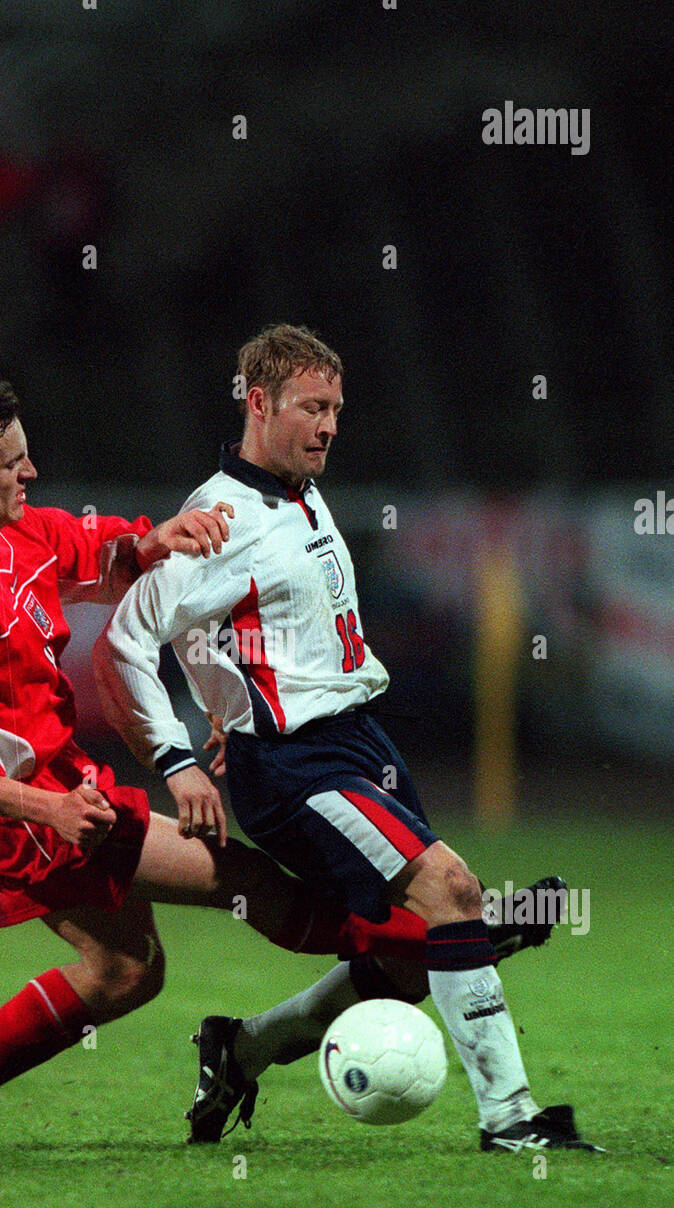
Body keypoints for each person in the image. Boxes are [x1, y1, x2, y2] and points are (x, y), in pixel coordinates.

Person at [0, 368, 404, 1155]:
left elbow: (88, 552)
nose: (30, 473)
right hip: (28, 814)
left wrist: (153, 541)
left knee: (125, 971)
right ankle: (432, 939)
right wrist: (50, 809)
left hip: (57, 784)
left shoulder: (1, 532)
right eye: (13, 464)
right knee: (238, 879)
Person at [93, 324, 604, 1154]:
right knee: (453, 896)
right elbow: (125, 641)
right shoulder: (218, 516)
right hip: (296, 768)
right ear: (259, 403)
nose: (329, 426)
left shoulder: (297, 490)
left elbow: (212, 630)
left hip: (362, 745)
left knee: (409, 959)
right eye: (312, 408)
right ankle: (511, 1119)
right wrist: (180, 759)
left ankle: (241, 1048)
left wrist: (225, 693)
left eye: (336, 408)